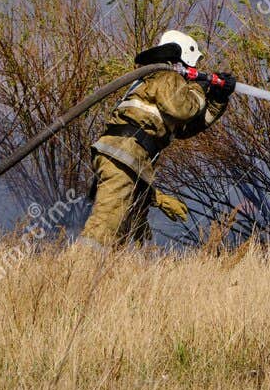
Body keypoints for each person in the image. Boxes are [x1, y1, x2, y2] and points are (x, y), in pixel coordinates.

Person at [78, 30, 234, 249]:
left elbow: (186, 127)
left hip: (129, 156)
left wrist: (217, 100)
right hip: (123, 153)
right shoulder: (166, 76)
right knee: (105, 226)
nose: (195, 70)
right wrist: (201, 87)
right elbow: (182, 109)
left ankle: (101, 273)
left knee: (122, 230)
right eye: (194, 64)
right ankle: (78, 268)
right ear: (185, 55)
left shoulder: (163, 81)